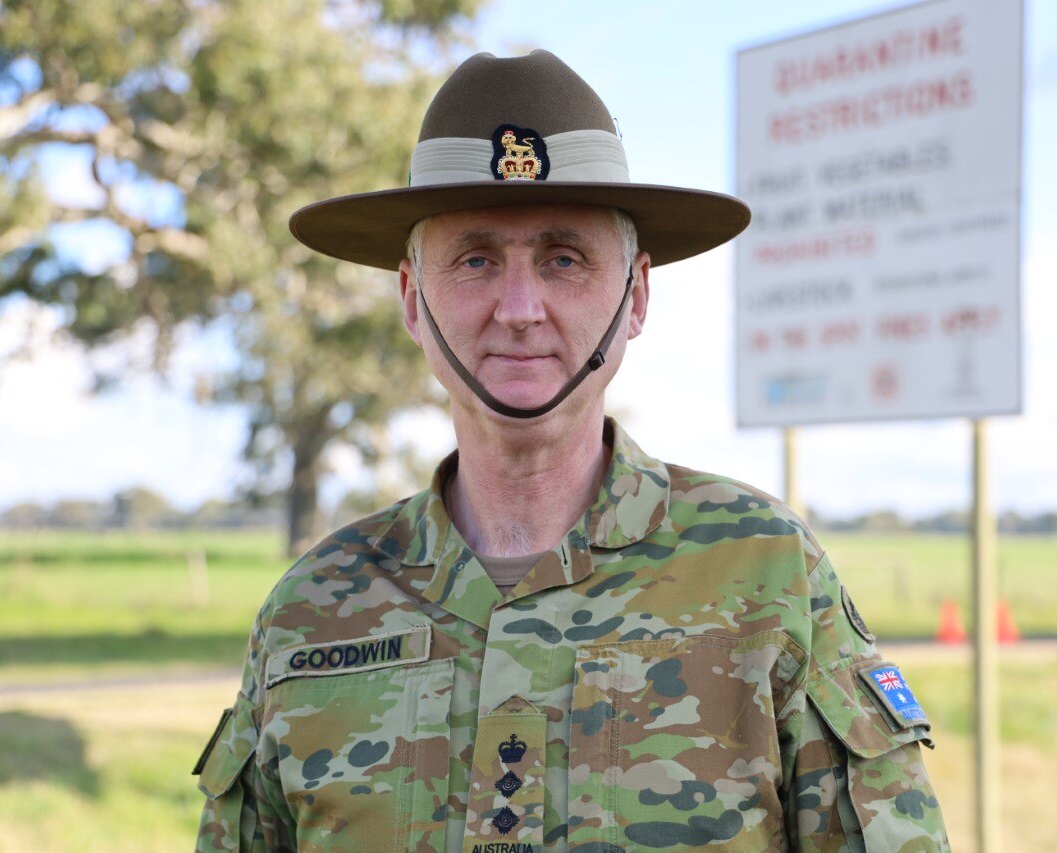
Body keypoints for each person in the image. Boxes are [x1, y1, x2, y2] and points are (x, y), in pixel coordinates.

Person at [194, 50, 949, 853]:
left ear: (638, 295)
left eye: (564, 258)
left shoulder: (767, 577)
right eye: (476, 258)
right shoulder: (310, 612)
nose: (520, 309)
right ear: (414, 299)